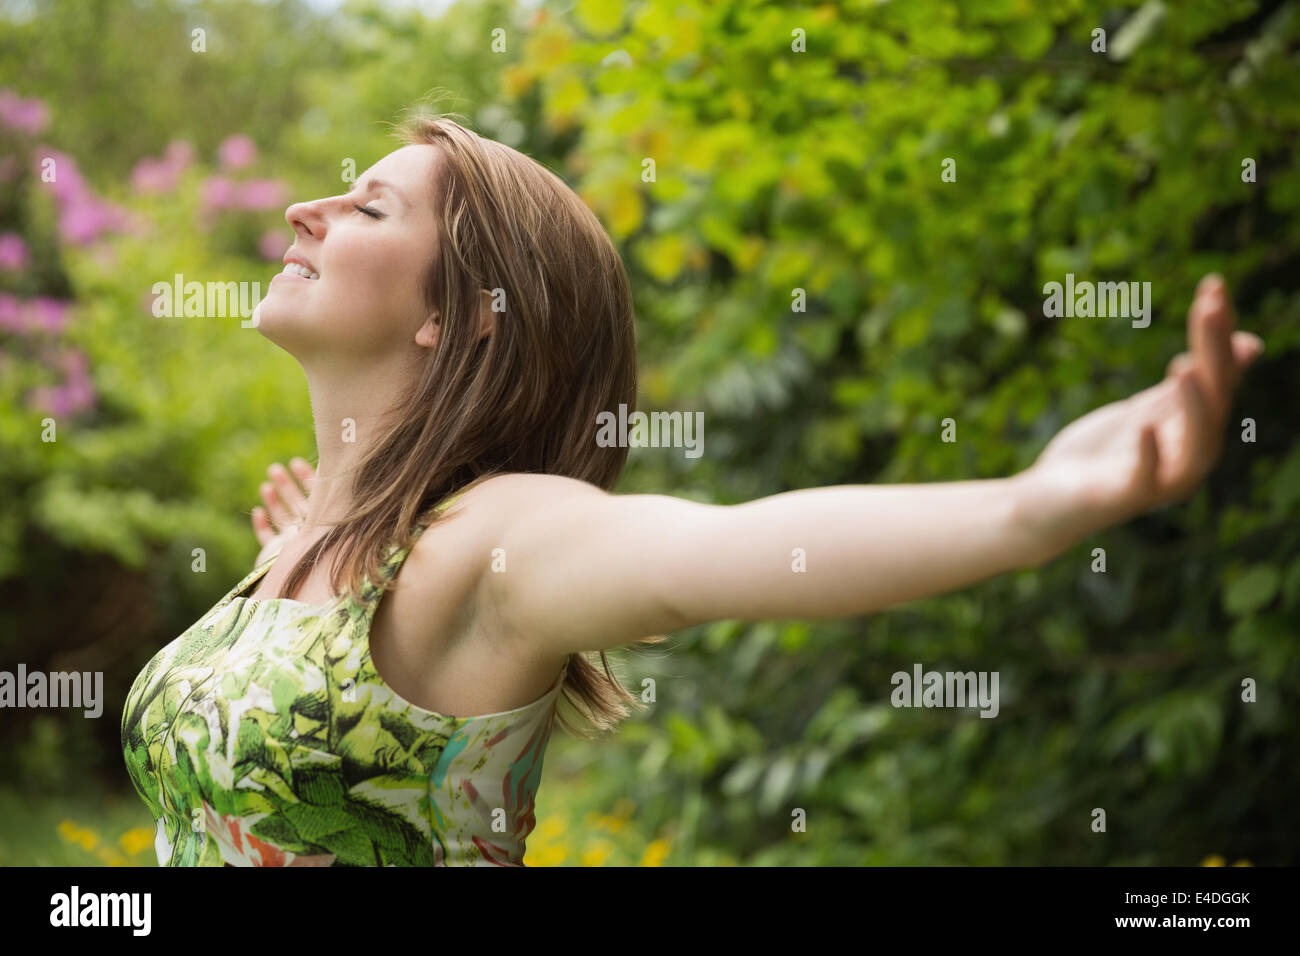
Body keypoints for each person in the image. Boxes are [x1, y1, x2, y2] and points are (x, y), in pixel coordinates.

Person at [121, 113, 1264, 867]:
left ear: (463, 313)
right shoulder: (322, 548)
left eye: (368, 207)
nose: (300, 215)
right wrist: (286, 593)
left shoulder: (488, 541)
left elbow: (727, 546)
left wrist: (1034, 503)